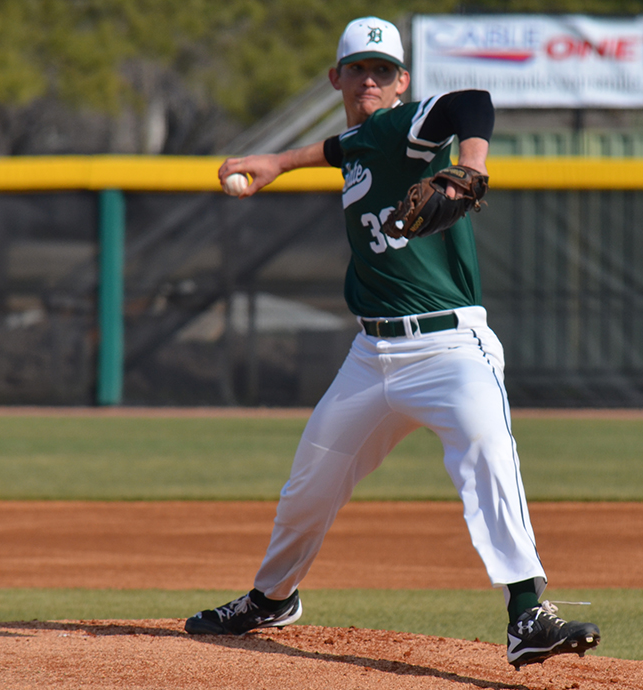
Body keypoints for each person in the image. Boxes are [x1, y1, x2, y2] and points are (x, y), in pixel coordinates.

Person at [184, 16, 601, 670]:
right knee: (309, 486)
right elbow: (339, 148)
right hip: (370, 358)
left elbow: (473, 104)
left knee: (487, 456)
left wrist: (470, 167)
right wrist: (278, 164)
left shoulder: (409, 127)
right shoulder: (361, 140)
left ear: (403, 81)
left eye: (383, 71)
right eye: (358, 69)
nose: (370, 80)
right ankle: (272, 599)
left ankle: (527, 613)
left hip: (450, 350)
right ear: (337, 79)